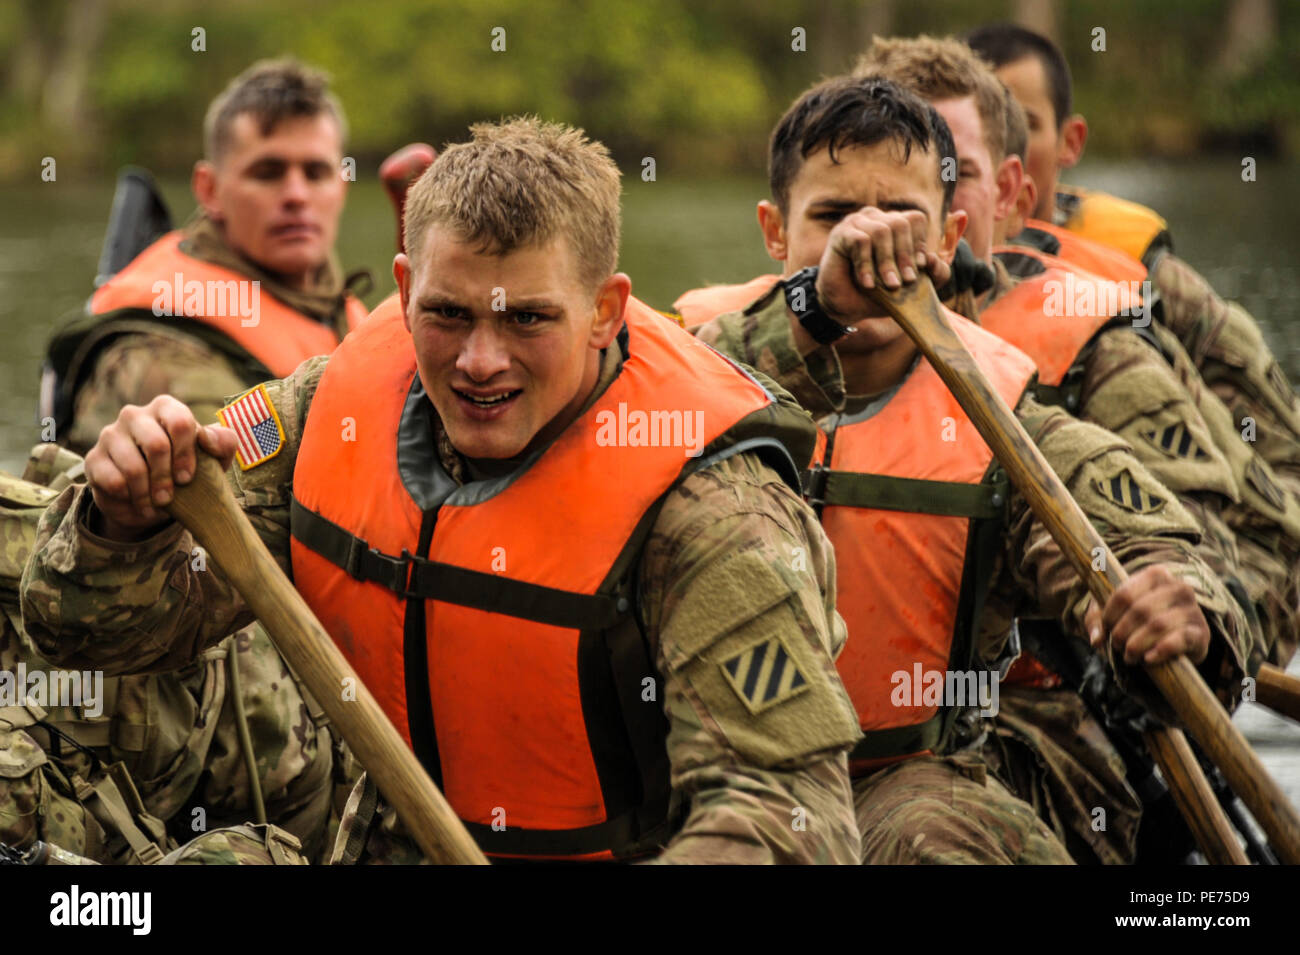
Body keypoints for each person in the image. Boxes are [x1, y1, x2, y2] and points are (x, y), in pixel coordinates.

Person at [21, 117, 865, 864]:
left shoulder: (716, 513)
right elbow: (84, 634)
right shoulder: (328, 407)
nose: (479, 361)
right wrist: (119, 525)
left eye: (527, 319)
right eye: (449, 314)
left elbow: (792, 820)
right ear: (401, 288)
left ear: (606, 311)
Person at [679, 74, 1250, 864]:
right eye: (834, 216)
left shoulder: (1011, 423)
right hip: (723, 785)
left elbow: (1155, 544)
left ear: (950, 240)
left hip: (911, 781)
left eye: (902, 220)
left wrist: (1186, 603)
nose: (866, 243)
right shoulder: (697, 374)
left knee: (930, 836)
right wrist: (818, 307)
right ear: (775, 232)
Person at [17, 59, 368, 865]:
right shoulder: (156, 358)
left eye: (317, 171)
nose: (296, 194)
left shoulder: (346, 314)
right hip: (203, 703)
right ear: (209, 188)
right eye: (267, 171)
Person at [964, 23, 1300, 669]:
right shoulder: (883, 300)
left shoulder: (1144, 279)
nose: (996, 147)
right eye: (961, 139)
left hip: (1219, 558)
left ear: (1069, 142)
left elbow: (1278, 464)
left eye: (1019, 125)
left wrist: (1207, 612)